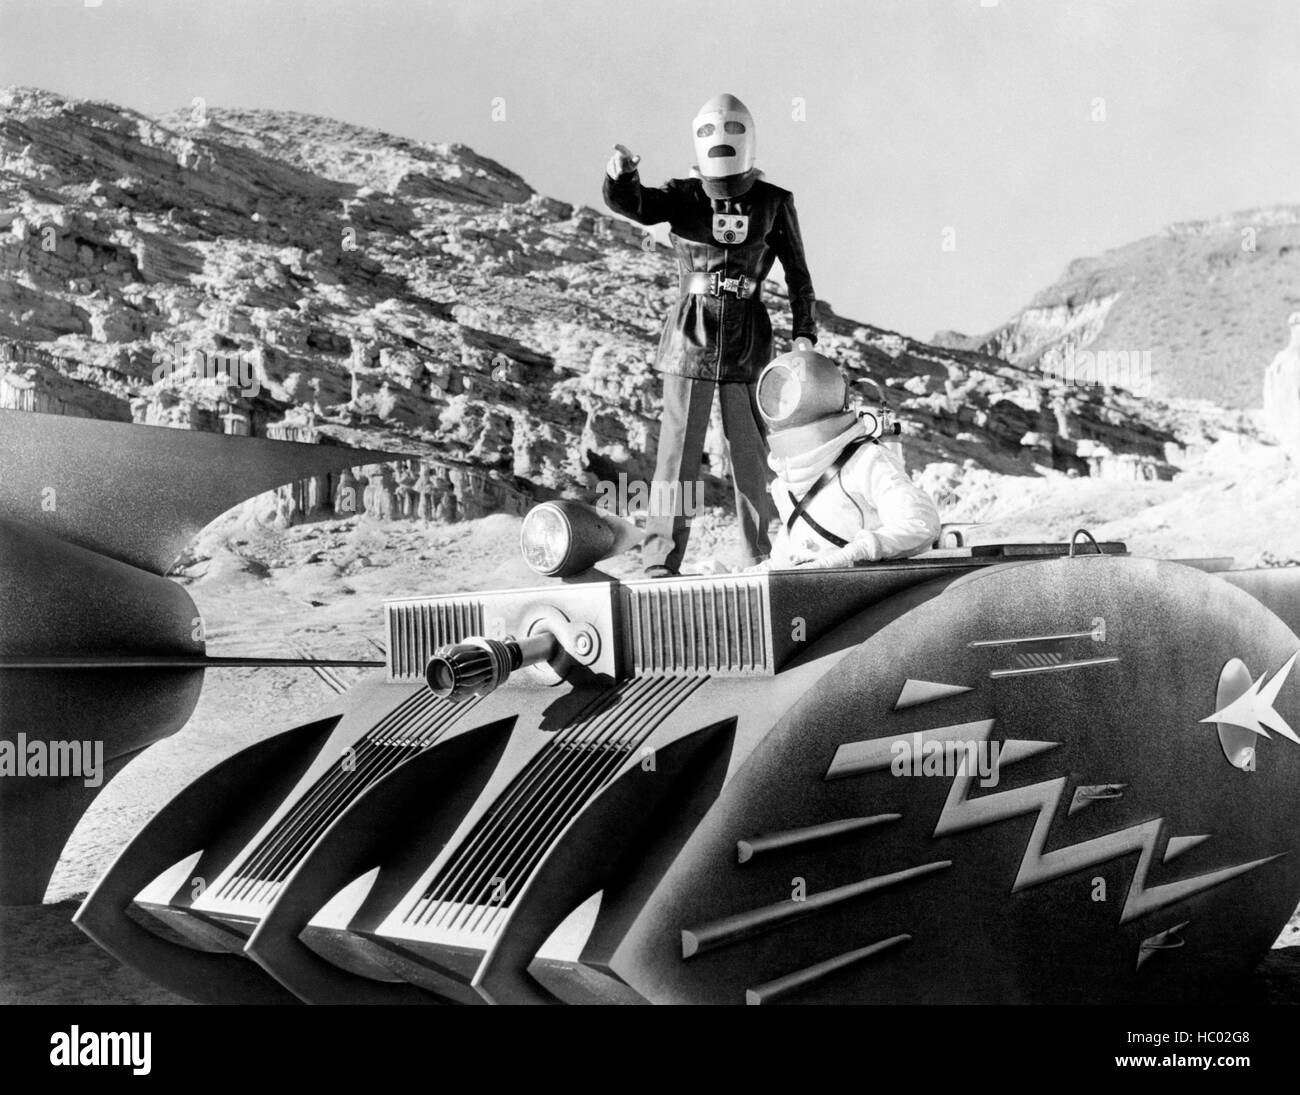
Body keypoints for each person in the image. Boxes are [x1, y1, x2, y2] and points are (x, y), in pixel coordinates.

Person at [603, 93, 818, 577]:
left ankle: (760, 555)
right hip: (690, 335)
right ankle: (660, 559)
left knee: (751, 452)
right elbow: (636, 205)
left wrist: (804, 332)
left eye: (732, 128)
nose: (722, 138)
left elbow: (798, 273)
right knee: (678, 451)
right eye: (711, 131)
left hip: (748, 338)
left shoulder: (774, 201)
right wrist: (622, 176)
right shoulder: (682, 194)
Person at [756, 346, 941, 568]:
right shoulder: (784, 484)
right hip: (813, 585)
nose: (783, 404)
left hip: (868, 585)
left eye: (789, 397)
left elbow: (920, 523)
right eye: (780, 399)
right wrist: (749, 572)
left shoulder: (866, 459)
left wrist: (857, 552)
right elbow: (789, 550)